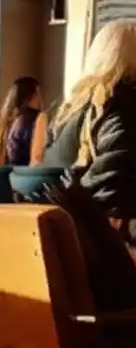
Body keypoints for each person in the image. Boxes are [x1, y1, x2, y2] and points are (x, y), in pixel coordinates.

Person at [43, 20, 136, 223]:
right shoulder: (123, 110)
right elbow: (112, 197)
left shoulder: (68, 113)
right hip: (103, 242)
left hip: (67, 235)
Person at [0, 76, 48, 165]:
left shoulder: (5, 123)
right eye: (38, 95)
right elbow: (37, 159)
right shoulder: (35, 119)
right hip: (24, 174)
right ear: (30, 97)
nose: (41, 100)